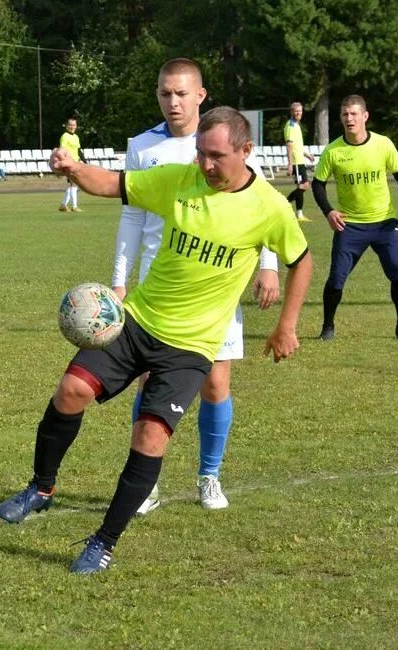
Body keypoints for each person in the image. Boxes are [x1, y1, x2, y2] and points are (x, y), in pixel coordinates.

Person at [0, 106, 313, 575]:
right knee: (71, 391)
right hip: (138, 321)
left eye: (217, 156)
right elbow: (116, 184)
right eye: (201, 154)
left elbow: (301, 260)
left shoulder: (269, 207)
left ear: (246, 151)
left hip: (191, 349)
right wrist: (74, 168)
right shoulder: (180, 180)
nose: (205, 165)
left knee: (149, 437)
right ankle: (41, 488)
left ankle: (103, 542)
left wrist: (286, 326)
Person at [111, 58, 281, 513]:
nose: (173, 102)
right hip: (156, 286)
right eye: (165, 93)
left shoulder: (229, 140)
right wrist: (119, 281)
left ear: (201, 95)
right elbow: (131, 215)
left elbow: (261, 206)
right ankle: (146, 484)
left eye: (182, 93)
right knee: (149, 382)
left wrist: (268, 265)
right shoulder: (142, 146)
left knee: (215, 384)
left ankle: (210, 475)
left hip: (216, 288)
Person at [311, 94, 398, 341]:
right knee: (336, 278)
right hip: (350, 226)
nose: (349, 119)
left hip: (384, 223)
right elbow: (318, 185)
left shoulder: (383, 144)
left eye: (354, 114)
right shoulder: (333, 151)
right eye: (345, 114)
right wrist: (329, 211)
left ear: (365, 116)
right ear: (340, 118)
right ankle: (328, 327)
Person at [284, 102, 314, 222]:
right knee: (304, 186)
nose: (298, 113)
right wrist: (290, 164)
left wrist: (307, 154)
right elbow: (290, 146)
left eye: (300, 111)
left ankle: (299, 214)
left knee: (302, 186)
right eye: (296, 111)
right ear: (291, 112)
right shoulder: (290, 126)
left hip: (300, 161)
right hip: (296, 162)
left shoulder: (296, 125)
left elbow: (297, 146)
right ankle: (285, 205)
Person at [58, 117, 87, 212]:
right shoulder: (65, 136)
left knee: (73, 185)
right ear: (66, 126)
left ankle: (63, 205)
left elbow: (78, 151)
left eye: (74, 125)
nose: (72, 127)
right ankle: (74, 206)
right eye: (70, 125)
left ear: (76, 126)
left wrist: (85, 161)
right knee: (74, 184)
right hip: (69, 163)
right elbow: (62, 150)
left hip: (76, 163)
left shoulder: (76, 137)